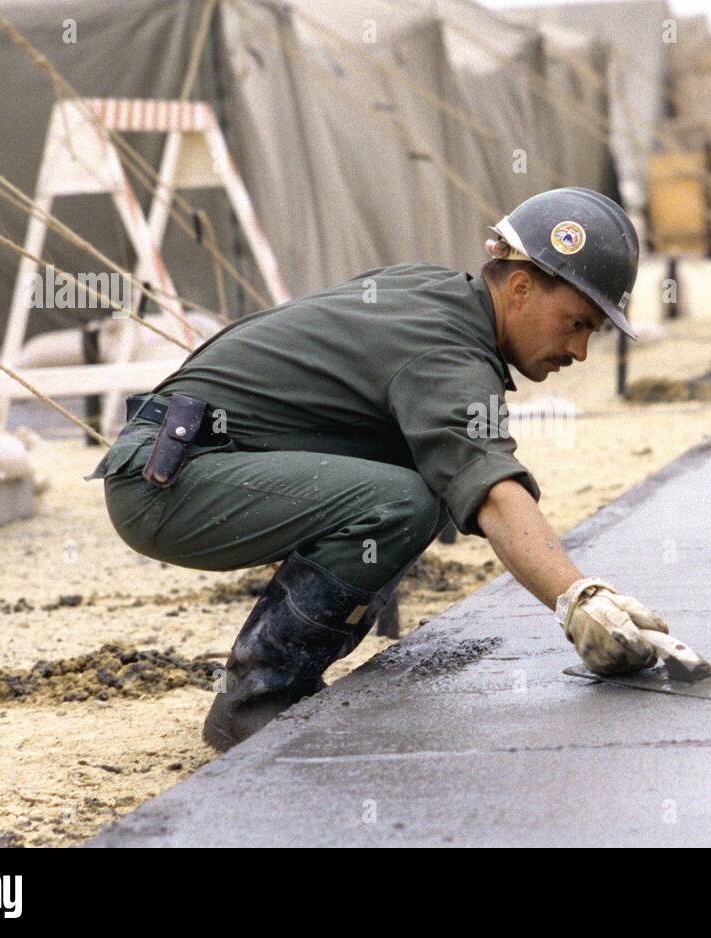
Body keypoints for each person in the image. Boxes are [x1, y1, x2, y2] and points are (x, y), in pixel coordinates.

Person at [91, 187, 671, 751]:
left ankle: (285, 683)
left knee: (427, 483)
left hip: (189, 456)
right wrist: (578, 599)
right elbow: (493, 491)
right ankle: (259, 702)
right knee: (405, 502)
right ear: (520, 287)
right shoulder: (445, 351)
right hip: (169, 480)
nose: (580, 352)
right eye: (576, 323)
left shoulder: (436, 293)